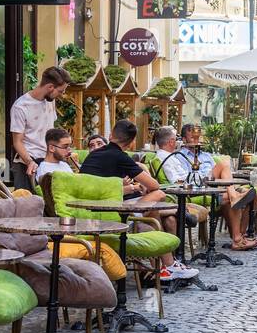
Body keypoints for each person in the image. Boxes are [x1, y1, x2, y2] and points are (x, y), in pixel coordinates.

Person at [79, 119, 197, 281]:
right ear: (131, 143)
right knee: (159, 196)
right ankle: (168, 264)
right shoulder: (120, 157)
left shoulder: (92, 157)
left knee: (159, 212)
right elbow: (154, 185)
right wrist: (140, 185)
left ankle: (167, 266)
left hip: (89, 208)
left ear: (110, 135)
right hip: (111, 211)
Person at [164, 123, 257, 251]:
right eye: (192, 138)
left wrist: (226, 185)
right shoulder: (180, 156)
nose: (196, 141)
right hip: (201, 186)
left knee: (256, 197)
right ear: (184, 139)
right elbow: (187, 178)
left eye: (198, 138)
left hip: (218, 185)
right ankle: (234, 199)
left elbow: (222, 176)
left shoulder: (206, 156)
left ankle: (239, 237)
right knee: (223, 166)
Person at [10, 65, 71, 191]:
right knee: (26, 206)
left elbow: (51, 132)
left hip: (47, 161)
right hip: (26, 164)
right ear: (50, 87)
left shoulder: (50, 101)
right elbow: (17, 142)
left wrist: (64, 149)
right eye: (60, 91)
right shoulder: (21, 107)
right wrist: (29, 162)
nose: (62, 95)